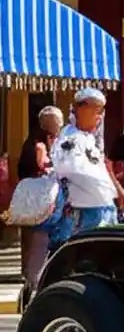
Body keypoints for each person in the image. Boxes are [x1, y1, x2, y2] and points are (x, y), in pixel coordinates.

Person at [52, 88, 124, 241]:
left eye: (101, 111)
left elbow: (100, 167)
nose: (99, 117)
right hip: (84, 213)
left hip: (101, 209)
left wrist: (115, 192)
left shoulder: (89, 138)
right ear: (81, 109)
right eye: (96, 111)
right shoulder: (70, 137)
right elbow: (71, 170)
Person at [15, 106, 64, 283]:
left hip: (27, 196)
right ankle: (33, 279)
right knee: (38, 238)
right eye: (58, 122)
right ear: (49, 124)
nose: (60, 126)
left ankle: (27, 274)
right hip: (40, 198)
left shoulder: (30, 141)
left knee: (28, 235)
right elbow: (43, 164)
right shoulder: (40, 144)